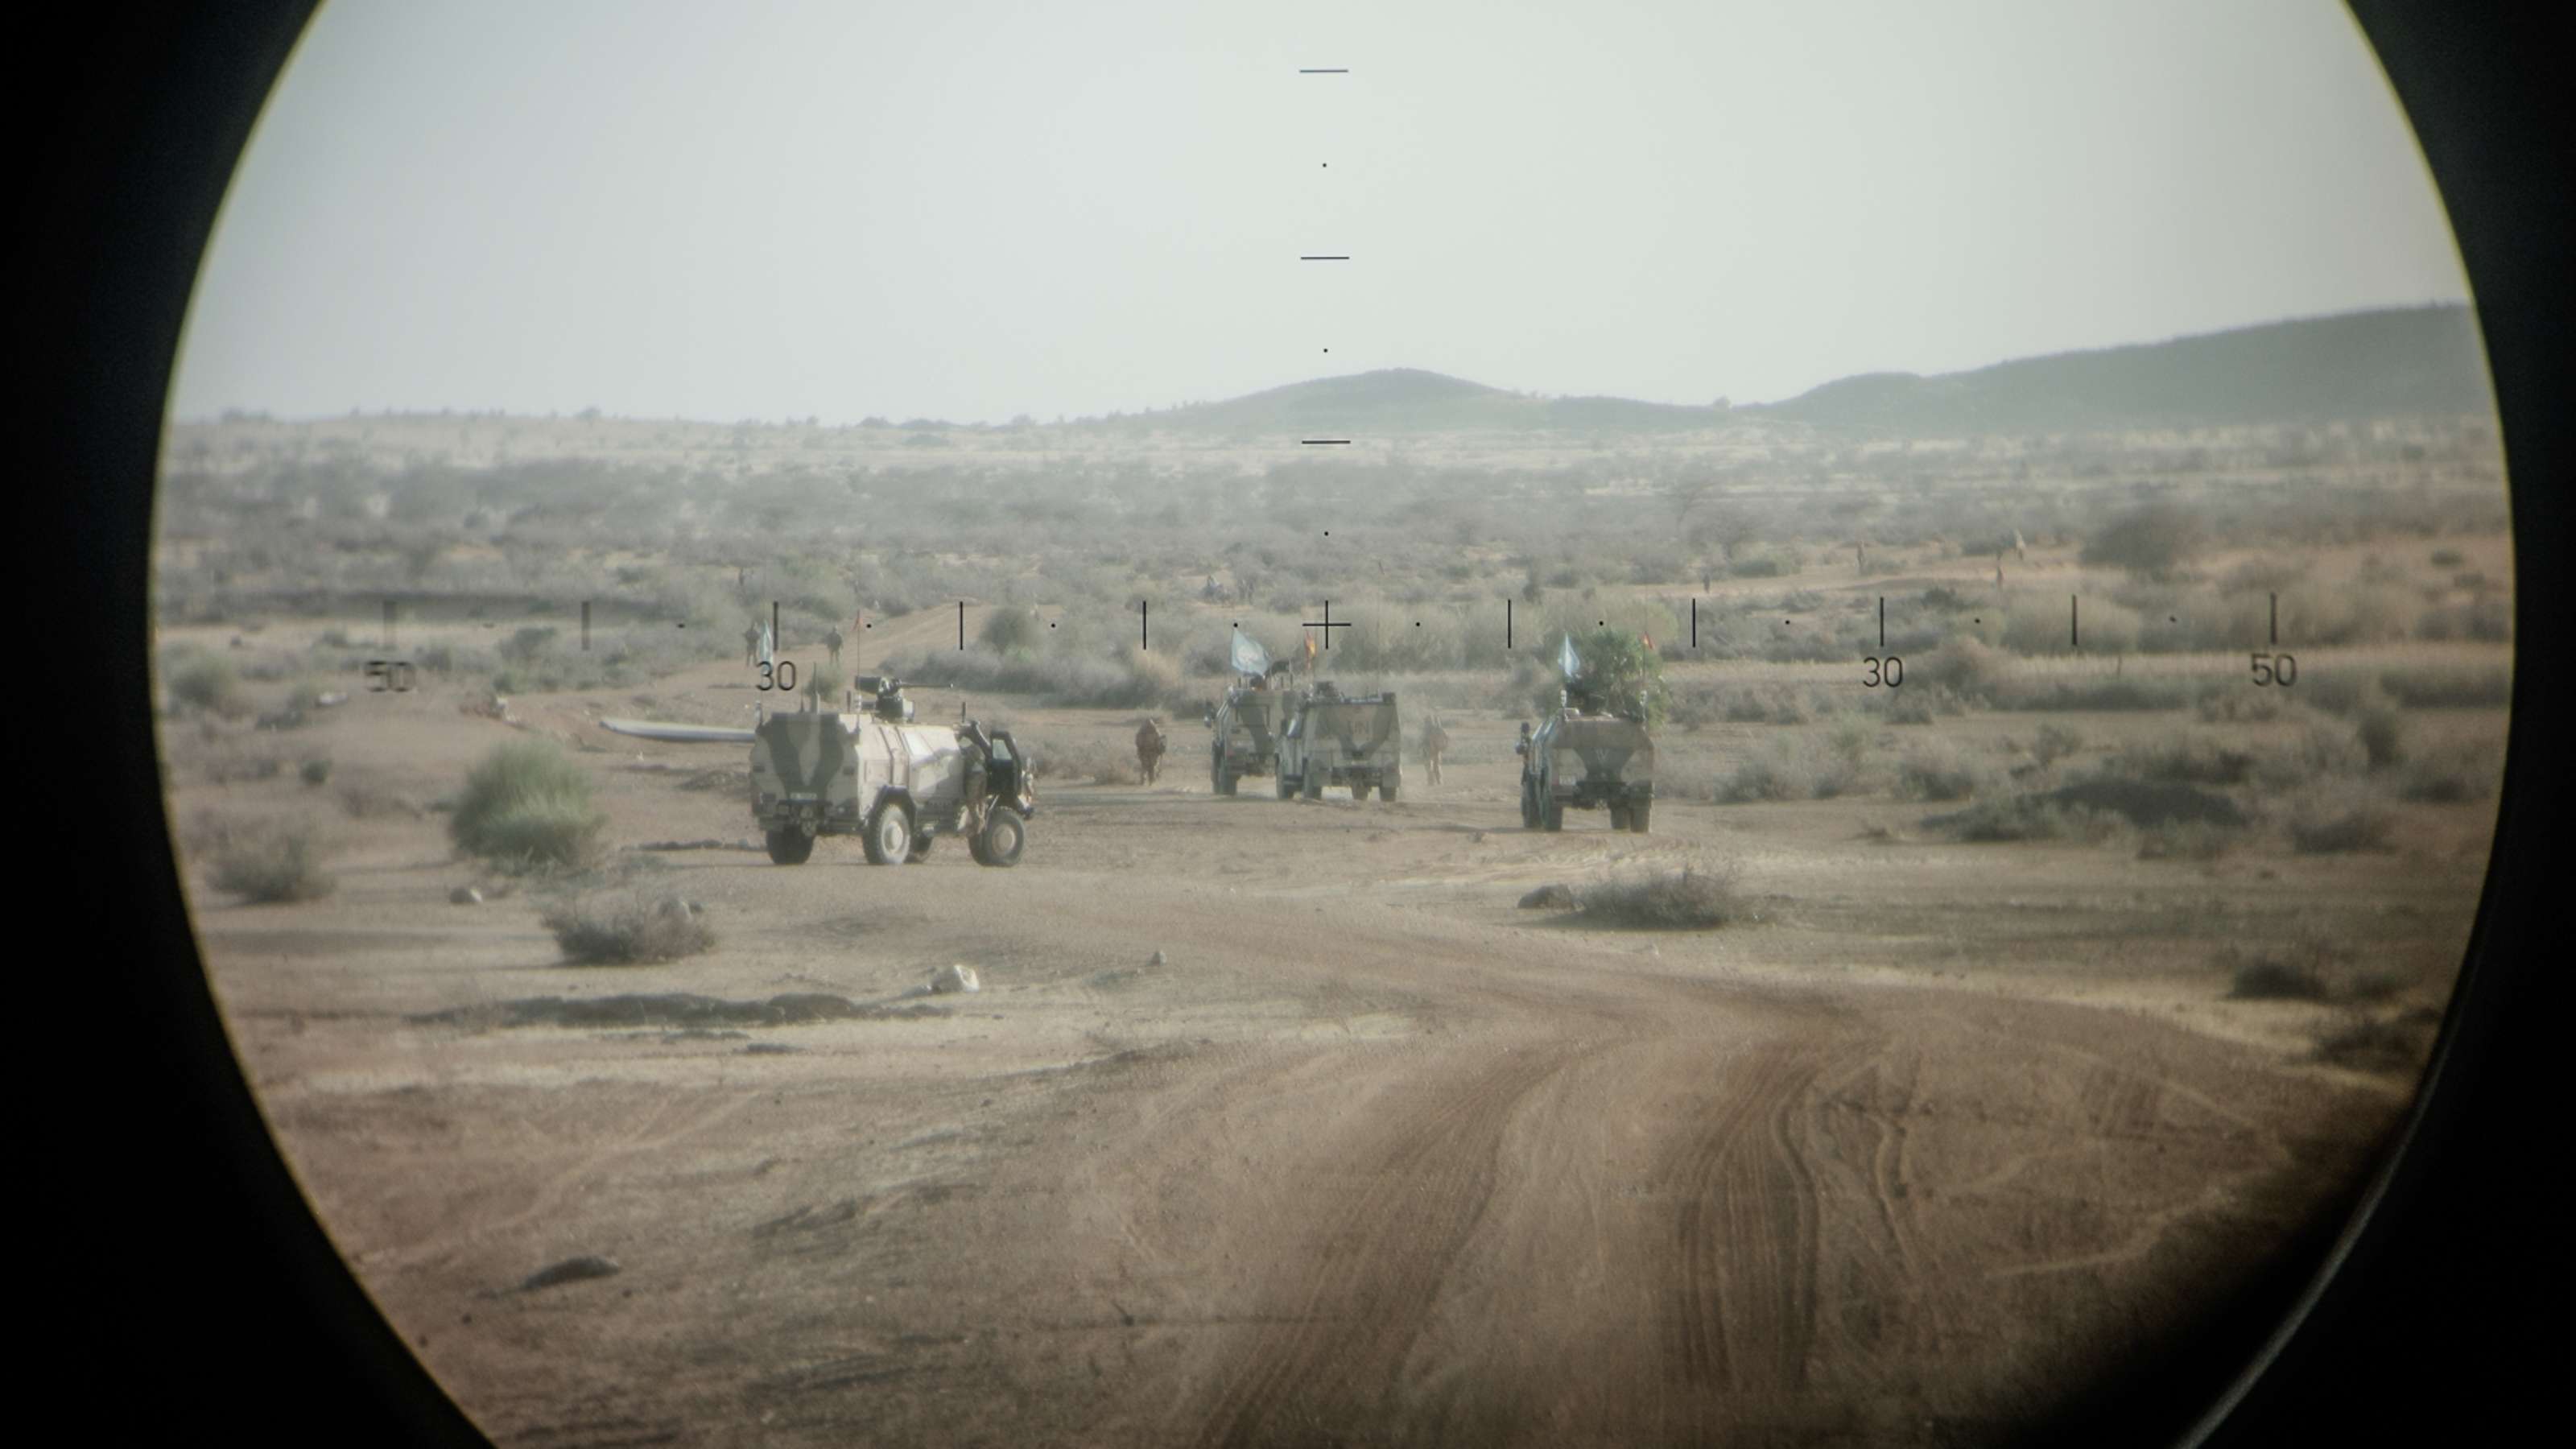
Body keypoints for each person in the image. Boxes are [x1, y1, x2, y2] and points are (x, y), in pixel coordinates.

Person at [1135, 718, 1166, 784]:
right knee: (1151, 767)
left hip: (1146, 752)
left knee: (1145, 767)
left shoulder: (1141, 732)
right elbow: (1160, 742)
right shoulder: (1155, 732)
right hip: (1150, 752)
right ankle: (1149, 781)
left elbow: (1138, 743)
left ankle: (1144, 780)